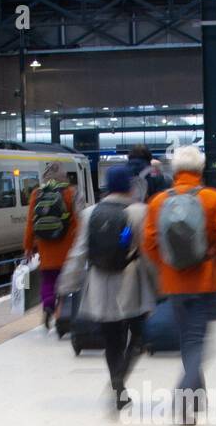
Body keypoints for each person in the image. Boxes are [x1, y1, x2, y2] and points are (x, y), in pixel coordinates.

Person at [143, 145, 216, 425]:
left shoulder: (158, 201)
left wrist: (167, 265)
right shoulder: (212, 198)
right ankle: (185, 396)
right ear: (200, 169)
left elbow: (149, 243)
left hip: (174, 283)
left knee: (188, 337)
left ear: (175, 171)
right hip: (205, 280)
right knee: (196, 340)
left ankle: (197, 395)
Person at [59, 165, 157, 411]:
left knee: (112, 339)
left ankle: (118, 390)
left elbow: (79, 251)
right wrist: (159, 285)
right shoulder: (139, 211)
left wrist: (67, 284)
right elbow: (147, 253)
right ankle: (121, 375)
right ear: (129, 186)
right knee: (140, 334)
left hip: (100, 284)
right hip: (131, 283)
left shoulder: (91, 213)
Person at [22, 161, 80, 328]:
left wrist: (28, 246)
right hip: (66, 247)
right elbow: (77, 221)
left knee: (48, 280)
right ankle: (62, 314)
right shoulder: (70, 193)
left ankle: (48, 306)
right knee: (65, 282)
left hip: (45, 247)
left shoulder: (37, 193)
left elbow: (30, 223)